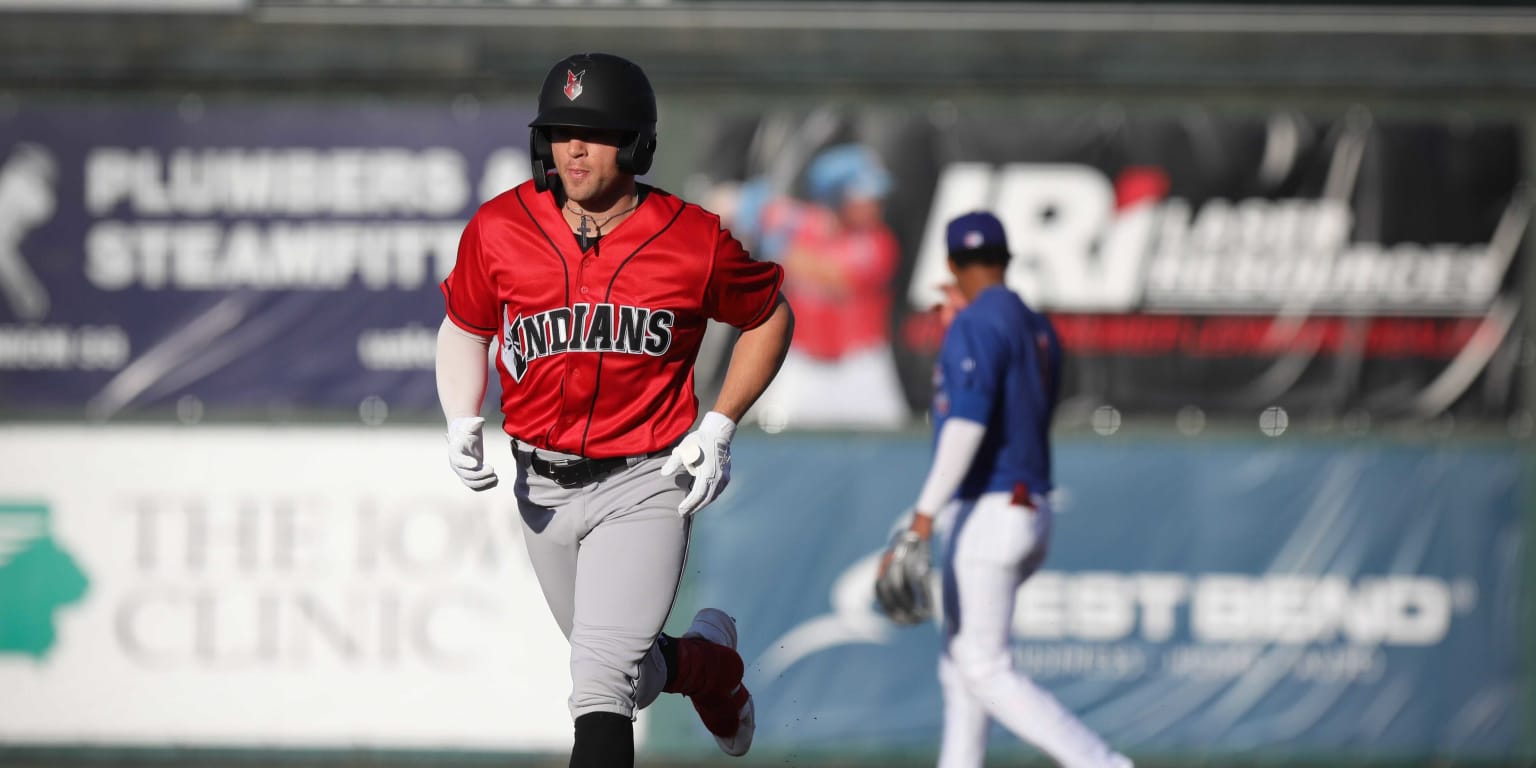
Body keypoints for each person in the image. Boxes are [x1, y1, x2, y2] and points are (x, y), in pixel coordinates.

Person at [434, 52, 794, 768]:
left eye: (592, 132)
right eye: (561, 129)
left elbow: (768, 315)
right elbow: (465, 324)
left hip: (643, 481)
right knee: (626, 675)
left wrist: (719, 424)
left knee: (598, 686)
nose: (573, 147)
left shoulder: (692, 238)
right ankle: (709, 668)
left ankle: (698, 670)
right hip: (539, 485)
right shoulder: (501, 227)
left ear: (635, 142)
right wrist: (459, 415)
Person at [882, 211, 1132, 768]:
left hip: (992, 509)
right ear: (1007, 259)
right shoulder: (1036, 325)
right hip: (1028, 502)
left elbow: (968, 424)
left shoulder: (974, 324)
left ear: (951, 265)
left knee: (985, 666)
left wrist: (923, 517)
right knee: (962, 664)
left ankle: (1102, 763)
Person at [737, 143, 907, 430]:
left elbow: (836, 278)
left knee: (891, 452)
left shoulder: (878, 241)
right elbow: (721, 204)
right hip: (802, 367)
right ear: (835, 197)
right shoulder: (800, 224)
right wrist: (747, 207)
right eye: (865, 196)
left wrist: (776, 242)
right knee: (770, 442)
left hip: (862, 371)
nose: (877, 204)